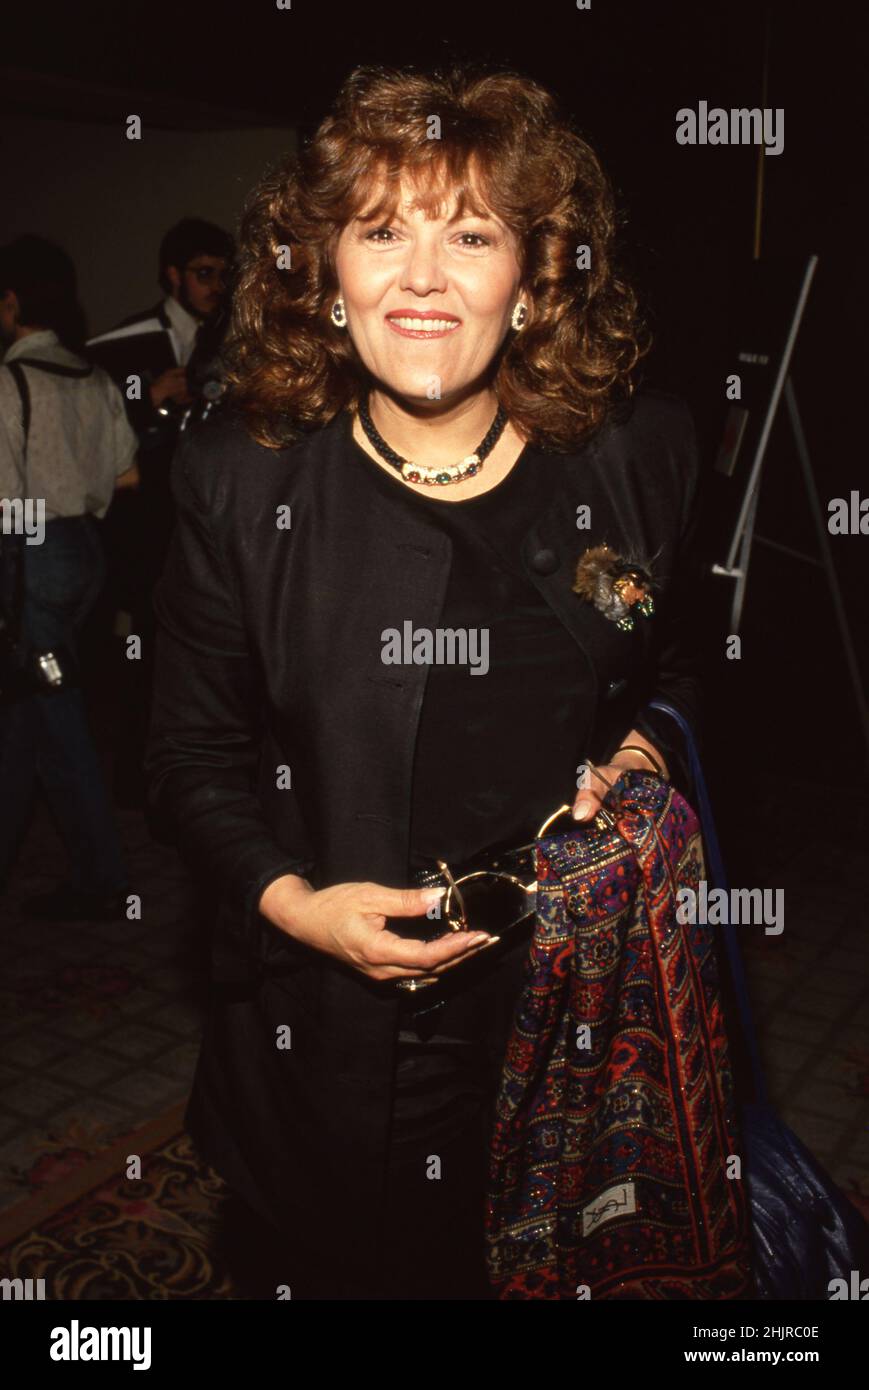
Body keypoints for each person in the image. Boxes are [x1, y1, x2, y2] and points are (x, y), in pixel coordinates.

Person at [143, 63, 704, 1300]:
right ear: (323, 270)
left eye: (471, 233)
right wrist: (294, 906)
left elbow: (683, 667)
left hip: (559, 1012)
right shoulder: (241, 481)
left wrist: (649, 747)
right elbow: (185, 754)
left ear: (538, 270)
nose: (423, 278)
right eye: (381, 231)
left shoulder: (637, 455)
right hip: (323, 1032)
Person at [0, 235, 138, 918]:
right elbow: (128, 475)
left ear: (13, 301)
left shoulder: (10, 381)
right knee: (27, 710)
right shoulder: (94, 377)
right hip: (86, 551)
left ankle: (104, 877)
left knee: (58, 716)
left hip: (30, 558)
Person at [87, 218, 234, 805]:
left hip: (214, 527)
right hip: (148, 531)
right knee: (144, 659)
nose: (215, 287)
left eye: (224, 275)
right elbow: (92, 434)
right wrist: (148, 399)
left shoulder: (232, 339)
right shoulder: (121, 343)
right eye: (203, 274)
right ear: (172, 275)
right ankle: (137, 786)